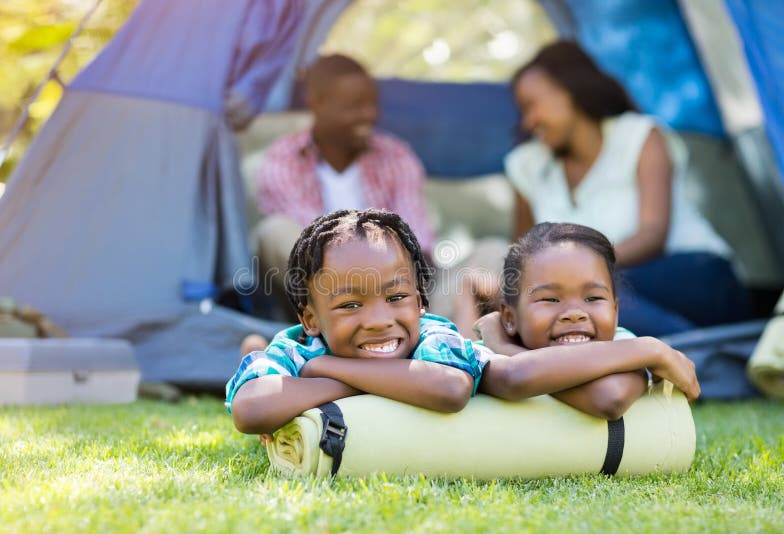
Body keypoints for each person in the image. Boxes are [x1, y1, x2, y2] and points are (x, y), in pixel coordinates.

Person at [226, 209, 700, 437]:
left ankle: (252, 350)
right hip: (297, 356)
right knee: (260, 357)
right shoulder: (297, 348)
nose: (378, 321)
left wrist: (329, 371)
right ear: (309, 319)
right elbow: (251, 410)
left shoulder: (432, 335)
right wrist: (342, 372)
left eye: (396, 298)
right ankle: (251, 350)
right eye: (350, 306)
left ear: (420, 301)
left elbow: (450, 389)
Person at [503, 40, 749, 336]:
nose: (529, 122)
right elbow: (524, 257)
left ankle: (682, 362)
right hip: (612, 291)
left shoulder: (640, 135)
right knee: (563, 305)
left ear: (569, 90)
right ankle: (681, 355)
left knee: (594, 298)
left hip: (695, 273)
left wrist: (574, 274)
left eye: (532, 105)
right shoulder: (527, 166)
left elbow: (652, 235)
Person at [254, 53, 434, 323]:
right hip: (326, 295)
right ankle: (346, 327)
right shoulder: (284, 160)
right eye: (355, 106)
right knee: (275, 232)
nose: (369, 114)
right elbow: (311, 250)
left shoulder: (396, 156)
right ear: (317, 104)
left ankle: (405, 333)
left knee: (487, 256)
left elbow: (417, 241)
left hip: (400, 293)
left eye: (372, 104)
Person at [476, 222, 654, 419]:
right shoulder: (487, 359)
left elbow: (610, 398)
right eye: (550, 299)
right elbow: (514, 377)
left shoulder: (624, 344)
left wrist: (505, 348)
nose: (574, 313)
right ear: (510, 318)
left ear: (615, 310)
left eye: (593, 298)